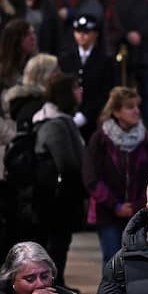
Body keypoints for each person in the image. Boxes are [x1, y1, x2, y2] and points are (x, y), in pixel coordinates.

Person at [84, 86, 148, 263]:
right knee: (113, 261)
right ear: (116, 112)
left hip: (137, 212)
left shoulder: (145, 139)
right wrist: (115, 205)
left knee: (136, 262)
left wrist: (137, 205)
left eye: (137, 106)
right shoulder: (100, 139)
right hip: (107, 212)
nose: (136, 111)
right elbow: (91, 178)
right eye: (130, 107)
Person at [29, 74, 88, 282]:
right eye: (75, 88)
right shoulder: (54, 124)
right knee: (56, 244)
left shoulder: (62, 120)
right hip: (55, 197)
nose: (80, 91)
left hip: (61, 195)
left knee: (60, 242)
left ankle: (57, 283)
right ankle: (53, 285)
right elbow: (67, 164)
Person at [104, 0, 148, 127]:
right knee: (121, 91)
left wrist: (140, 33)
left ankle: (147, 127)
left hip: (143, 49)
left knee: (146, 92)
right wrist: (126, 34)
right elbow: (111, 20)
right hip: (122, 49)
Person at [0, 18, 37, 178]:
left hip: (34, 145)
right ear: (15, 40)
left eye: (33, 33)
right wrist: (16, 140)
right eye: (27, 35)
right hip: (6, 147)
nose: (33, 38)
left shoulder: (37, 69)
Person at [59, 13, 115, 144]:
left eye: (86, 32)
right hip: (70, 117)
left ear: (95, 34)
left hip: (95, 119)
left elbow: (105, 91)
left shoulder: (105, 61)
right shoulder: (66, 59)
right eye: (78, 32)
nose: (82, 35)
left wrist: (86, 115)